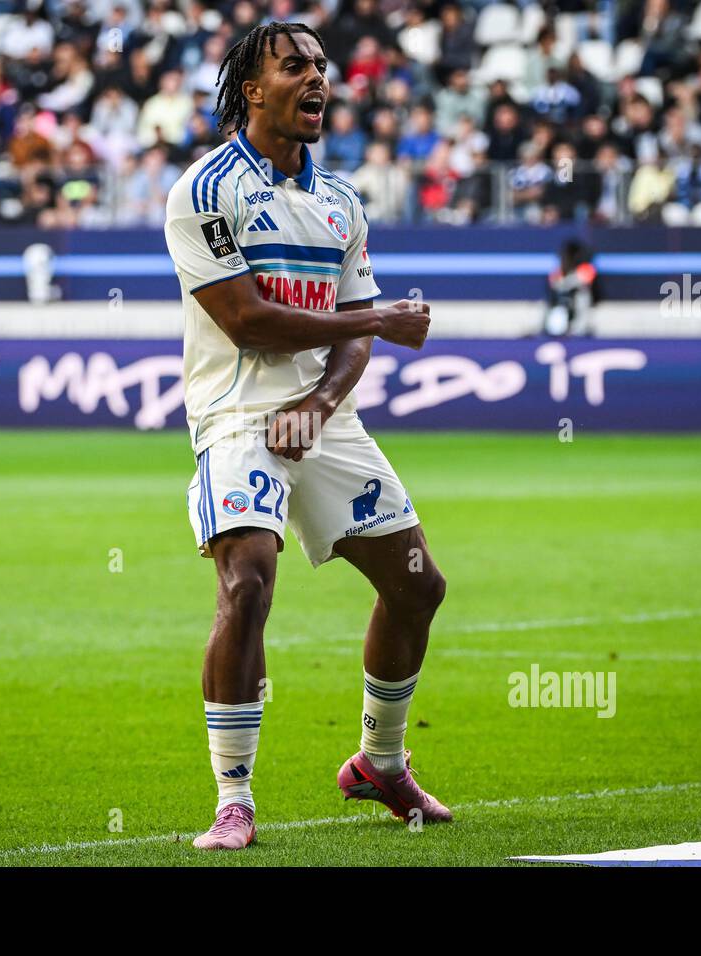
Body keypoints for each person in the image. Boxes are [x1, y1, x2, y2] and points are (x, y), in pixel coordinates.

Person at [163, 21, 450, 852]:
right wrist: (380, 318)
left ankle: (380, 765)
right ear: (253, 88)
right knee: (247, 583)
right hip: (237, 417)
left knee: (418, 587)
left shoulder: (341, 202)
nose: (317, 78)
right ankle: (234, 799)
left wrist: (324, 401)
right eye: (296, 66)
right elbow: (246, 317)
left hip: (320, 417)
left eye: (322, 66)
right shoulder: (205, 189)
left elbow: (350, 337)